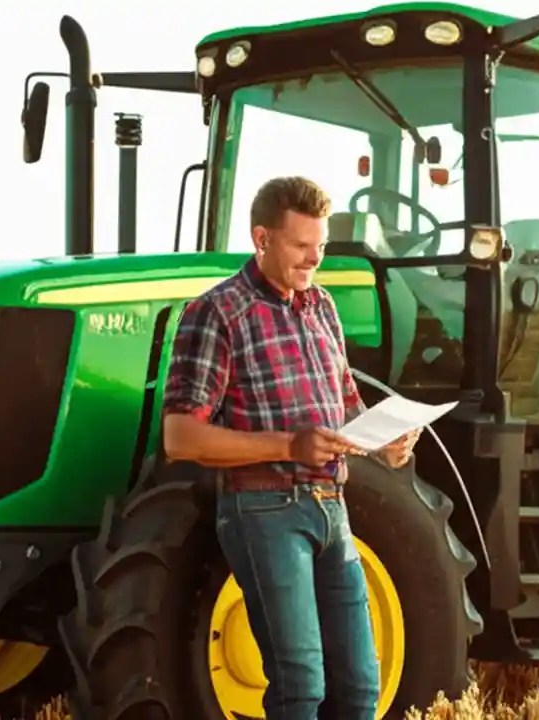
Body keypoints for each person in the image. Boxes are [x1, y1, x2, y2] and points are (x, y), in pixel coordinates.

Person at [160, 175, 419, 720]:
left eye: (321, 246)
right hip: (264, 509)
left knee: (359, 685)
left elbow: (344, 411)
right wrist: (289, 445)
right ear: (262, 238)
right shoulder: (217, 313)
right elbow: (180, 438)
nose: (314, 259)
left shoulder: (321, 307)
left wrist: (386, 444)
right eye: (302, 246)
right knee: (300, 685)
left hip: (332, 509)